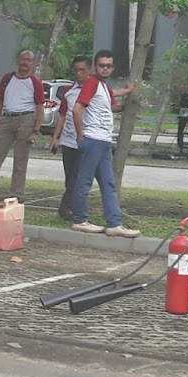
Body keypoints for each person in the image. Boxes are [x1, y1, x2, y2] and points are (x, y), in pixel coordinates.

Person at [70, 50, 141, 238]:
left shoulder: (102, 86)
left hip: (104, 141)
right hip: (93, 139)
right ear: (95, 67)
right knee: (84, 182)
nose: (105, 68)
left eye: (108, 66)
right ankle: (79, 219)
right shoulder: (91, 83)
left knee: (108, 184)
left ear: (113, 67)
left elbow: (112, 96)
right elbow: (77, 109)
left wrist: (127, 92)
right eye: (102, 65)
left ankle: (114, 223)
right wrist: (80, 136)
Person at [0, 50, 44, 201]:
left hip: (26, 119)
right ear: (17, 61)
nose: (25, 63)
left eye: (28, 60)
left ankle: (16, 195)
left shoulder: (35, 82)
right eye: (22, 59)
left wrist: (36, 130)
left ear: (32, 63)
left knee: (20, 160)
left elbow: (40, 106)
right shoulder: (7, 78)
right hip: (6, 119)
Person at [51, 55, 91, 220]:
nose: (79, 73)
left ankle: (65, 207)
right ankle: (72, 207)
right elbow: (62, 115)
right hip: (68, 140)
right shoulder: (69, 91)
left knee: (77, 176)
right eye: (76, 70)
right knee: (70, 177)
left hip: (86, 140)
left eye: (82, 70)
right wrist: (55, 137)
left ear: (89, 70)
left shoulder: (95, 90)